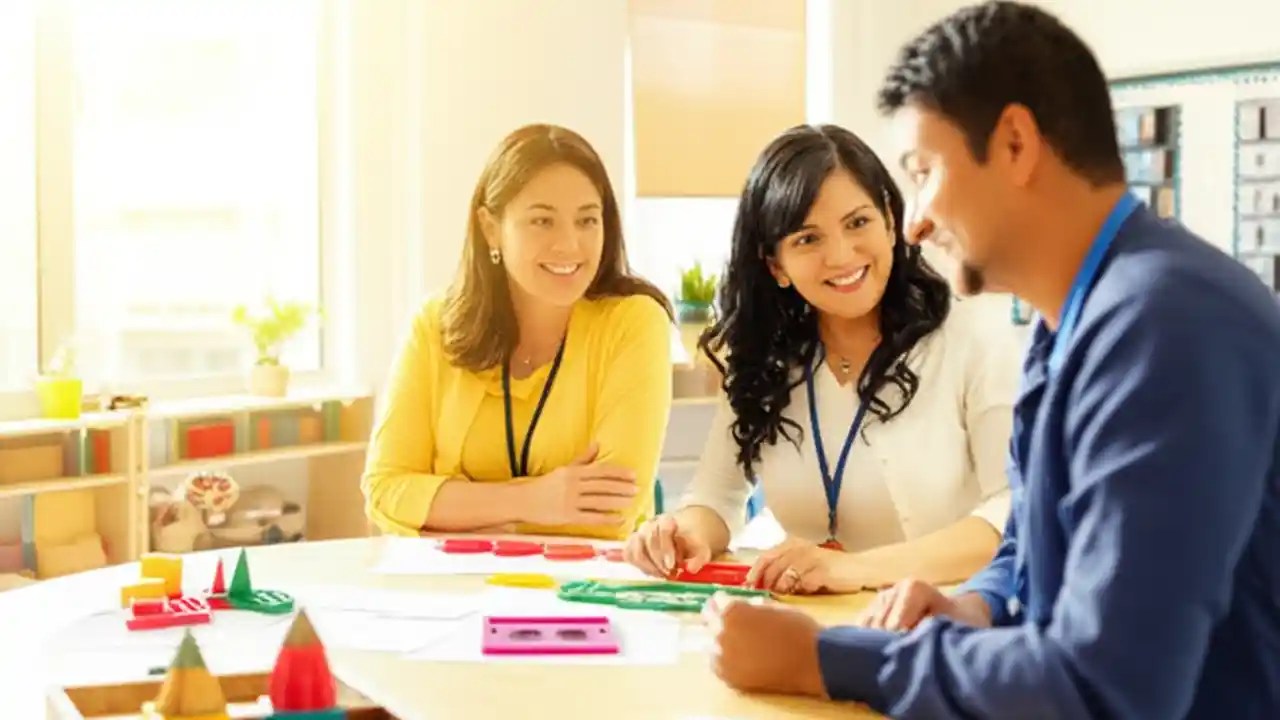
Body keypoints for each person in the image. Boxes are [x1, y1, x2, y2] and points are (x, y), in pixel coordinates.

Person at [701, 2, 1280, 718]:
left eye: (922, 170)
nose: (913, 221)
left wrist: (825, 658)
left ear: (1014, 144)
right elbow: (1033, 554)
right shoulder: (1070, 317)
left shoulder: (1166, 326)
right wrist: (972, 607)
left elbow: (1106, 683)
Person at [624, 124, 1021, 594]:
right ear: (776, 266)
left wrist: (855, 570)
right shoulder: (767, 355)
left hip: (952, 627)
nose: (841, 255)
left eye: (858, 223)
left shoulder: (973, 334)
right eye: (807, 239)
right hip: (815, 626)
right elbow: (716, 496)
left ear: (891, 222)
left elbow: (1010, 513)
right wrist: (682, 535)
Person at [361, 124, 674, 541]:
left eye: (587, 220)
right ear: (491, 228)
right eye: (542, 221)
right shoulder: (434, 324)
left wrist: (453, 508)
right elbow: (385, 491)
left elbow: (612, 511)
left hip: (585, 589)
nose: (569, 244)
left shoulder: (634, 322)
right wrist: (536, 500)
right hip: (449, 591)